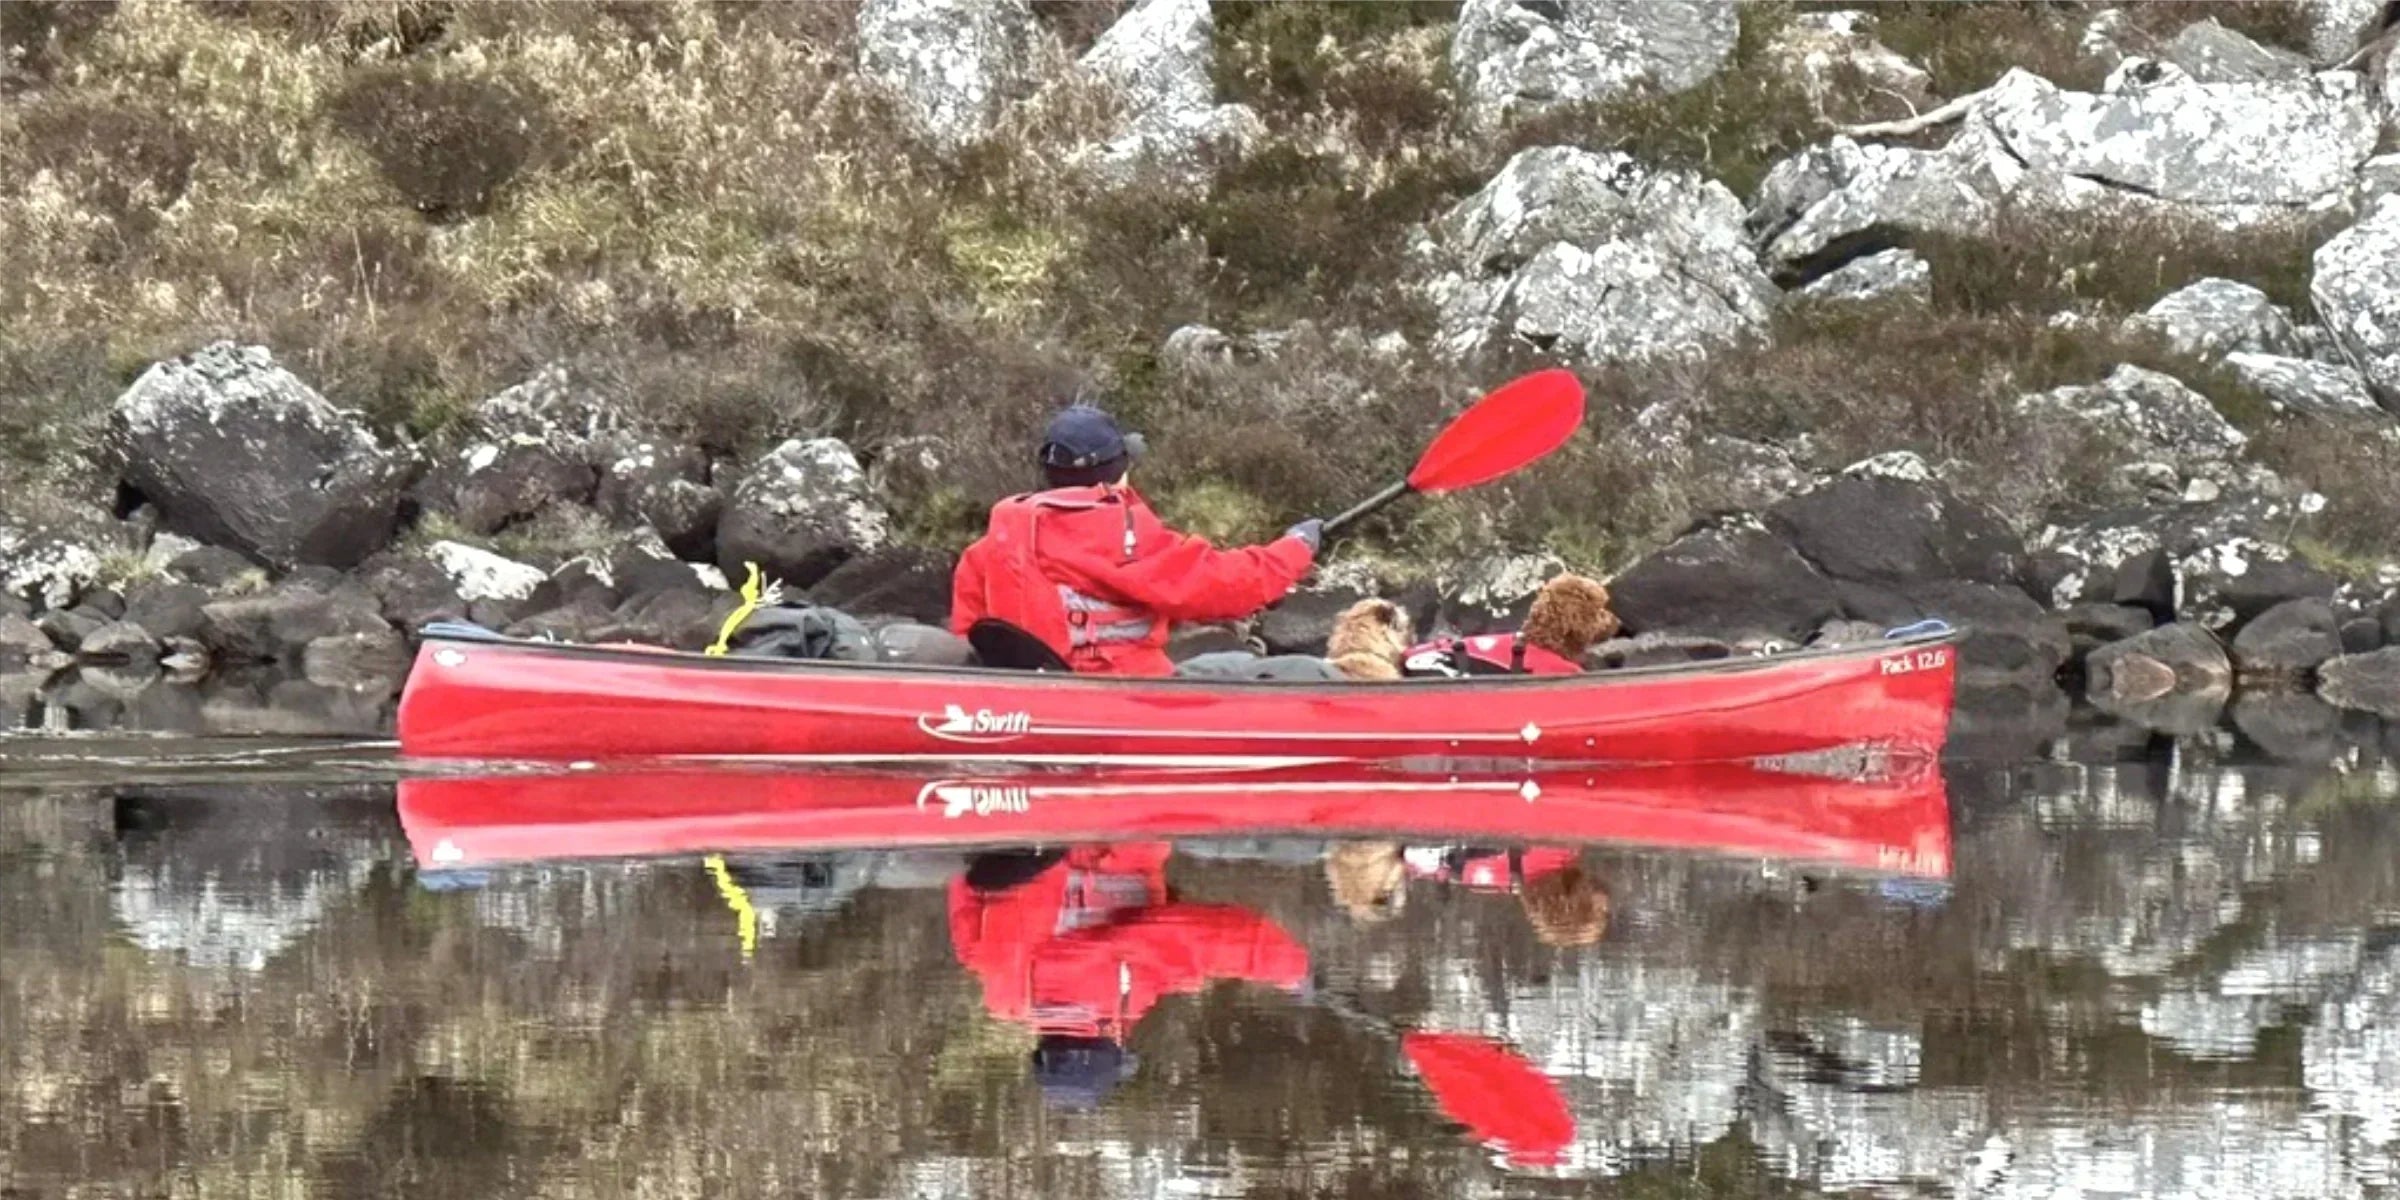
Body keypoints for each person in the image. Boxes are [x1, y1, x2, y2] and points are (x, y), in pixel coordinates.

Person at [950, 404, 1324, 677]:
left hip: (1036, 695)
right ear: (1115, 470)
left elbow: (971, 633)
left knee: (1225, 663)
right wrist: (1295, 549)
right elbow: (1215, 584)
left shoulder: (999, 536)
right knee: (1278, 670)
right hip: (1124, 693)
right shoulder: (1117, 531)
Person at [948, 842, 1310, 1109]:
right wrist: (981, 869)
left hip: (1114, 835)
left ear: (1112, 1048)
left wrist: (1291, 970)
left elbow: (1210, 938)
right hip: (1020, 839)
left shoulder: (1124, 990)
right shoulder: (1003, 994)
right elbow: (966, 896)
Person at [1401, 573, 1619, 678]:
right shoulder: (1561, 676)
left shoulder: (1516, 645)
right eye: (1599, 613)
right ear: (1577, 621)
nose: (1610, 620)